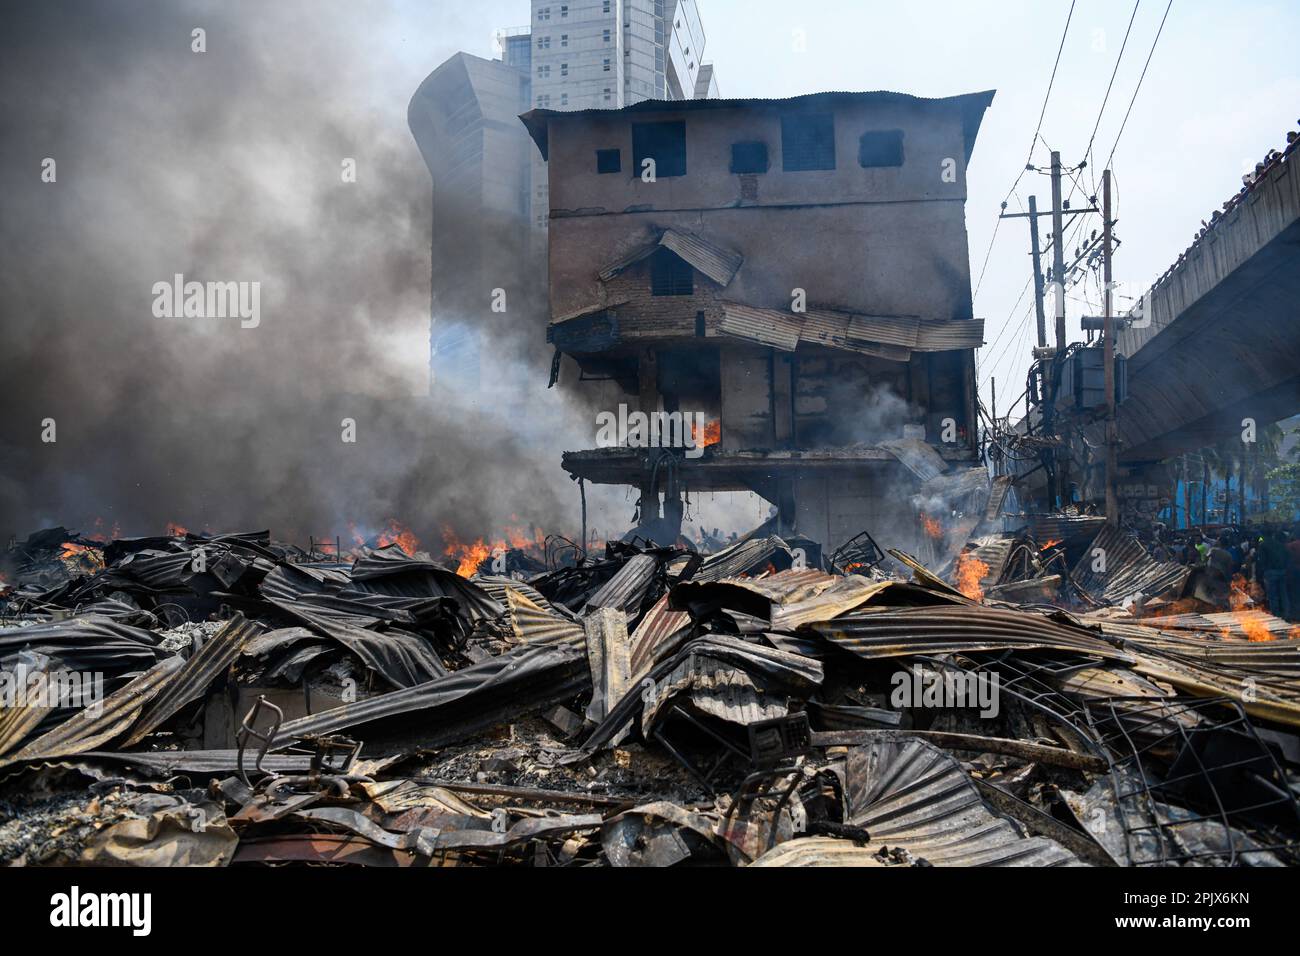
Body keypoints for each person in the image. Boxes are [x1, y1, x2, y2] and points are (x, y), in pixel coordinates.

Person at [1258, 530, 1290, 620]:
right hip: (1282, 571)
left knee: (1273, 595)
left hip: (1270, 572)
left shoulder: (1263, 544)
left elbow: (1261, 560)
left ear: (1262, 535)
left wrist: (1262, 572)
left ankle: (1276, 615)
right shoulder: (1280, 544)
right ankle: (1286, 614)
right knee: (1283, 593)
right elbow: (1287, 556)